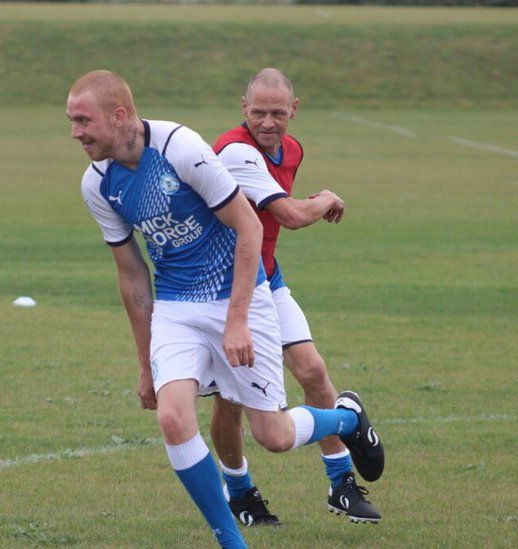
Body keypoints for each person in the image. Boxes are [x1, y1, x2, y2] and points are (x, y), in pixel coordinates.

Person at [68, 69, 383, 548]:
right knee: (173, 417)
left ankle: (345, 419)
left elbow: (248, 229)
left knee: (273, 436)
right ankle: (232, 541)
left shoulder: (180, 147)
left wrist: (237, 322)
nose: (76, 133)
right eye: (71, 121)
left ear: (119, 115)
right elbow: (132, 275)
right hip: (176, 305)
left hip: (238, 296)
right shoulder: (97, 184)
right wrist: (144, 363)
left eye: (83, 120)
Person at [205, 68, 385, 525]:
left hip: (266, 278)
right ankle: (240, 492)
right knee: (230, 400)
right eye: (259, 112)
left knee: (313, 370)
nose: (268, 122)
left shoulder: (293, 149)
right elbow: (288, 214)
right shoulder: (234, 151)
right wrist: (325, 199)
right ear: (242, 108)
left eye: (278, 113)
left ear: (294, 110)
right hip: (218, 288)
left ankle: (341, 483)